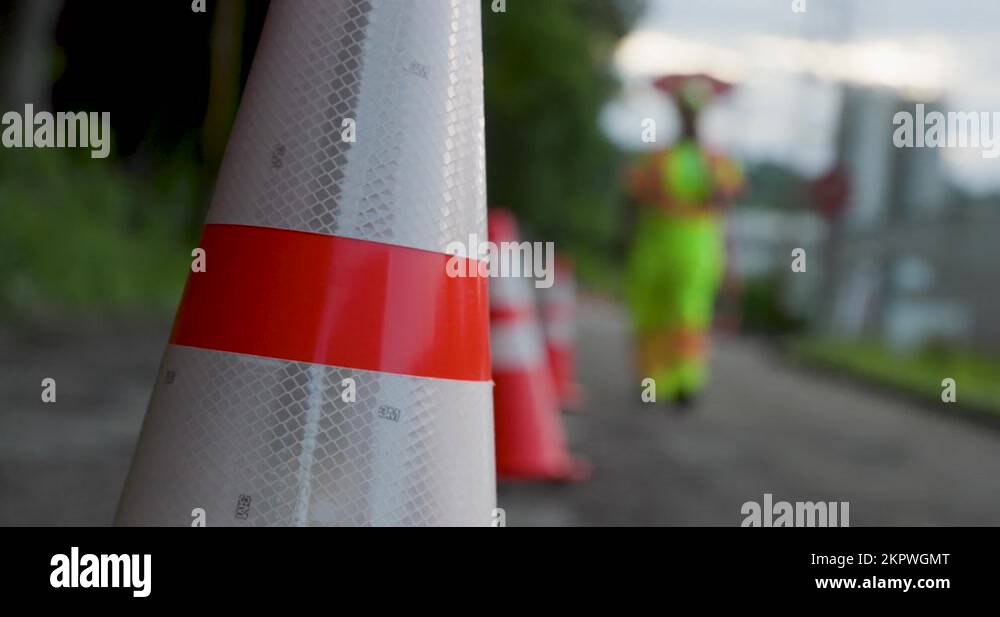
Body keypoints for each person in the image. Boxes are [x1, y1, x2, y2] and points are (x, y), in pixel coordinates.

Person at [624, 74, 744, 409]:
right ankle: (658, 383)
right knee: (658, 317)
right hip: (663, 253)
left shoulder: (712, 162)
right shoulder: (664, 159)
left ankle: (683, 383)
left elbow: (727, 202)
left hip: (689, 253)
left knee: (685, 318)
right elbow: (633, 199)